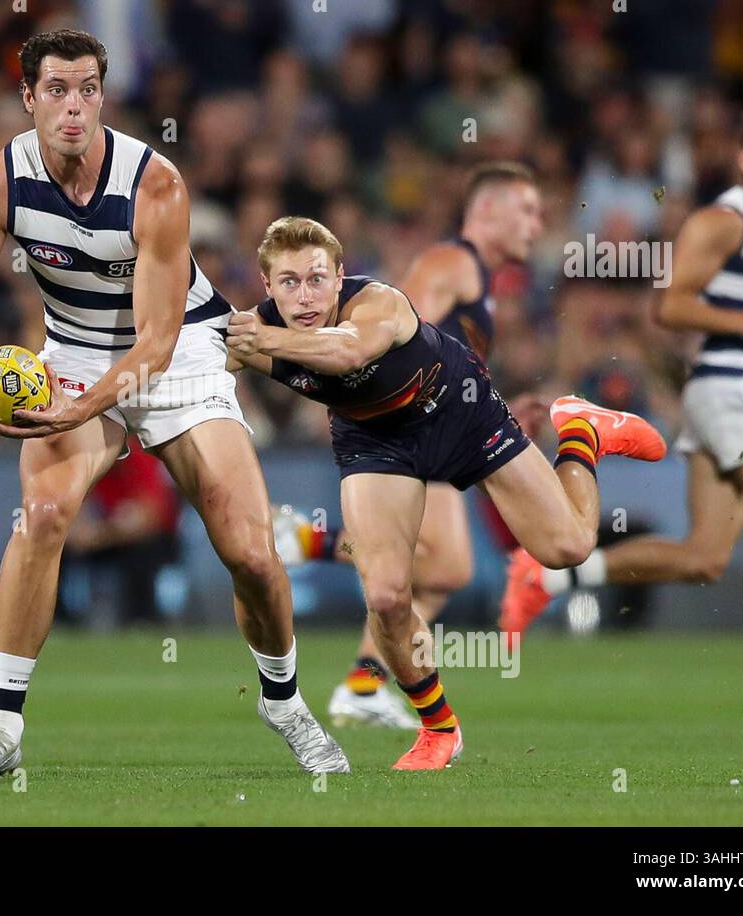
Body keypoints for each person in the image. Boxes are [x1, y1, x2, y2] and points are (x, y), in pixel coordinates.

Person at [0, 30, 348, 778]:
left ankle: (283, 700)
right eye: (57, 90)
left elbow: (155, 343)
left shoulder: (154, 183)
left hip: (180, 351)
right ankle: (0, 728)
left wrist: (75, 410)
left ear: (104, 94)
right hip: (72, 350)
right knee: (44, 516)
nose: (74, 107)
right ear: (28, 98)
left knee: (250, 551)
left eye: (88, 89)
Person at [228, 215, 666, 769]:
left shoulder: (378, 304)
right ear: (267, 288)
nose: (306, 294)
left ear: (341, 276)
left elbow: (345, 354)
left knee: (568, 548)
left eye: (317, 278)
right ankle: (438, 728)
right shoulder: (250, 332)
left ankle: (580, 431)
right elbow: (192, 368)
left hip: (460, 413)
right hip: (373, 441)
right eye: (289, 282)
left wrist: (256, 337)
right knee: (386, 595)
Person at [501, 102, 743, 727]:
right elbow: (670, 306)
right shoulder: (722, 222)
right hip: (733, 386)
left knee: (705, 557)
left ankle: (552, 579)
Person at [275, 163, 548, 730]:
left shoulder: (477, 277)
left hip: (437, 423)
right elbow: (401, 333)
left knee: (439, 571)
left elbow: (445, 353)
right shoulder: (451, 263)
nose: (537, 224)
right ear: (488, 209)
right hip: (408, 429)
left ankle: (364, 682)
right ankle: (308, 541)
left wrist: (490, 403)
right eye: (526, 209)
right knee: (436, 567)